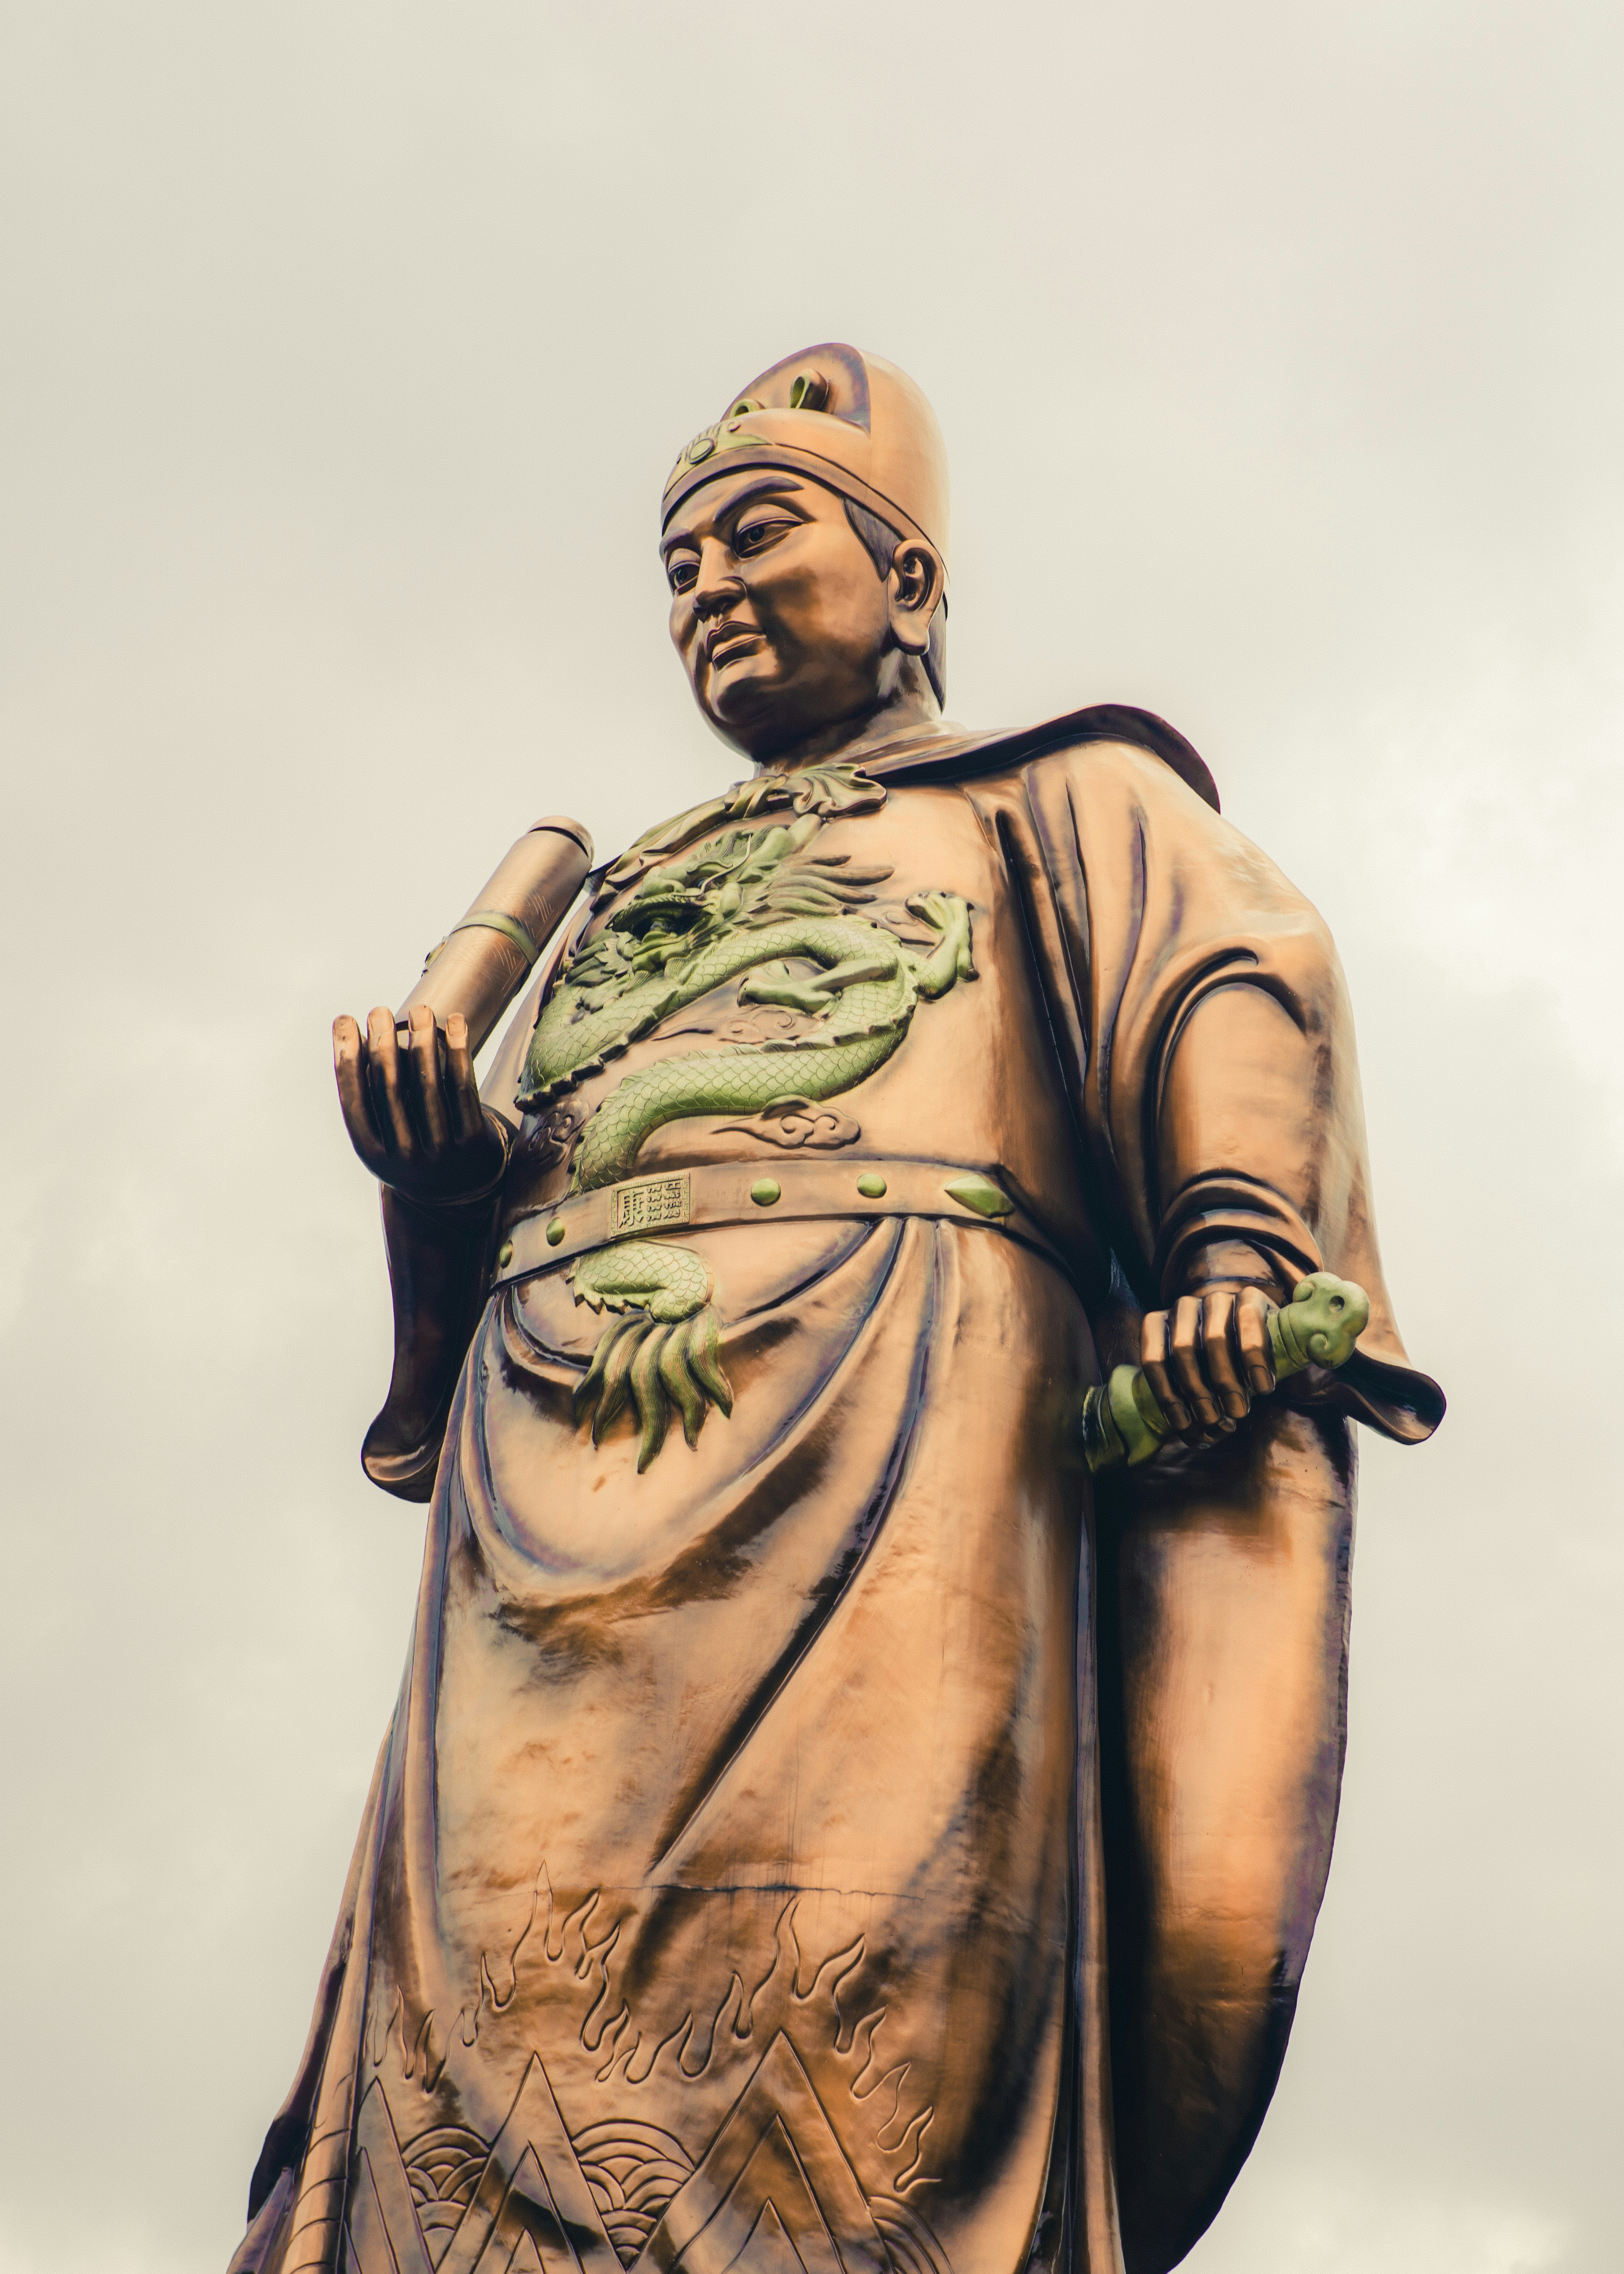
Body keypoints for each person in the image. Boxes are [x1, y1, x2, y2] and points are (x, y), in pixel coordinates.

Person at [231, 344, 1442, 2274]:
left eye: (757, 532)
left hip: (891, 1432)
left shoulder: (1054, 792)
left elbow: (1231, 972)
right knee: (485, 2027)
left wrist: (1227, 1242)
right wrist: (436, 1166)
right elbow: (499, 1239)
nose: (707, 583)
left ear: (912, 581)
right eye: (677, 561)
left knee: (862, 1999)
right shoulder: (612, 892)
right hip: (548, 1506)